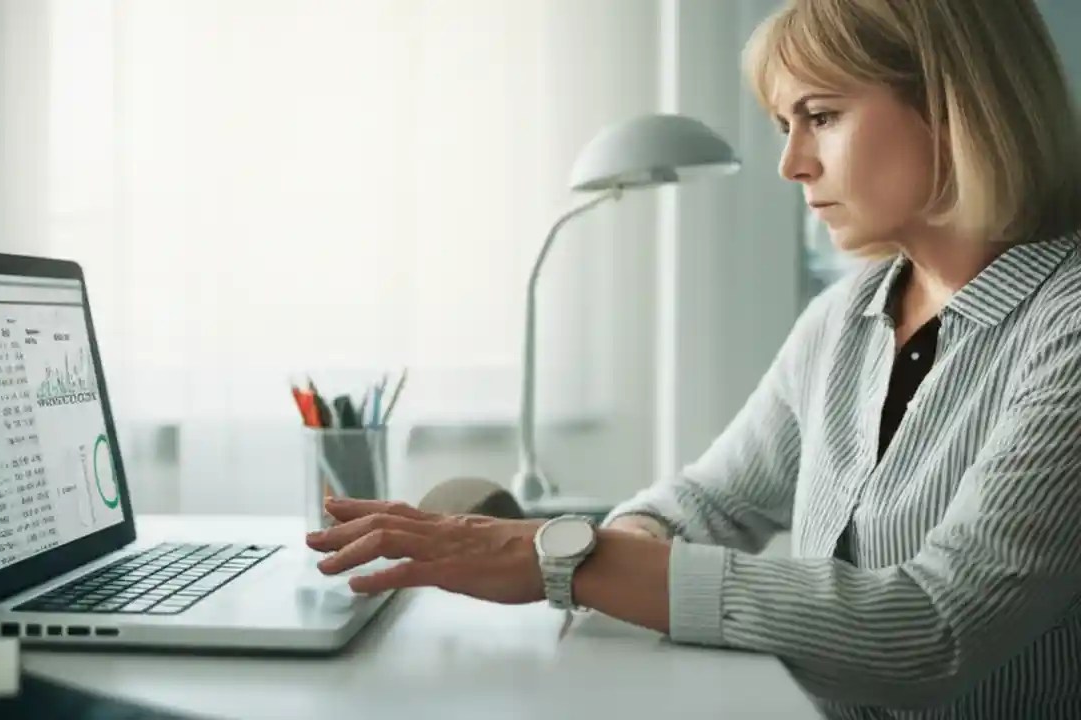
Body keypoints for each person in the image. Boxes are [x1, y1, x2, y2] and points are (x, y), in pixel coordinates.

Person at [306, 0, 1081, 716]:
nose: (792, 162)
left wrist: (565, 560)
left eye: (821, 116)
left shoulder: (1065, 327)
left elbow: (934, 630)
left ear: (951, 107)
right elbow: (706, 505)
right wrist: (615, 550)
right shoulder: (843, 319)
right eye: (783, 124)